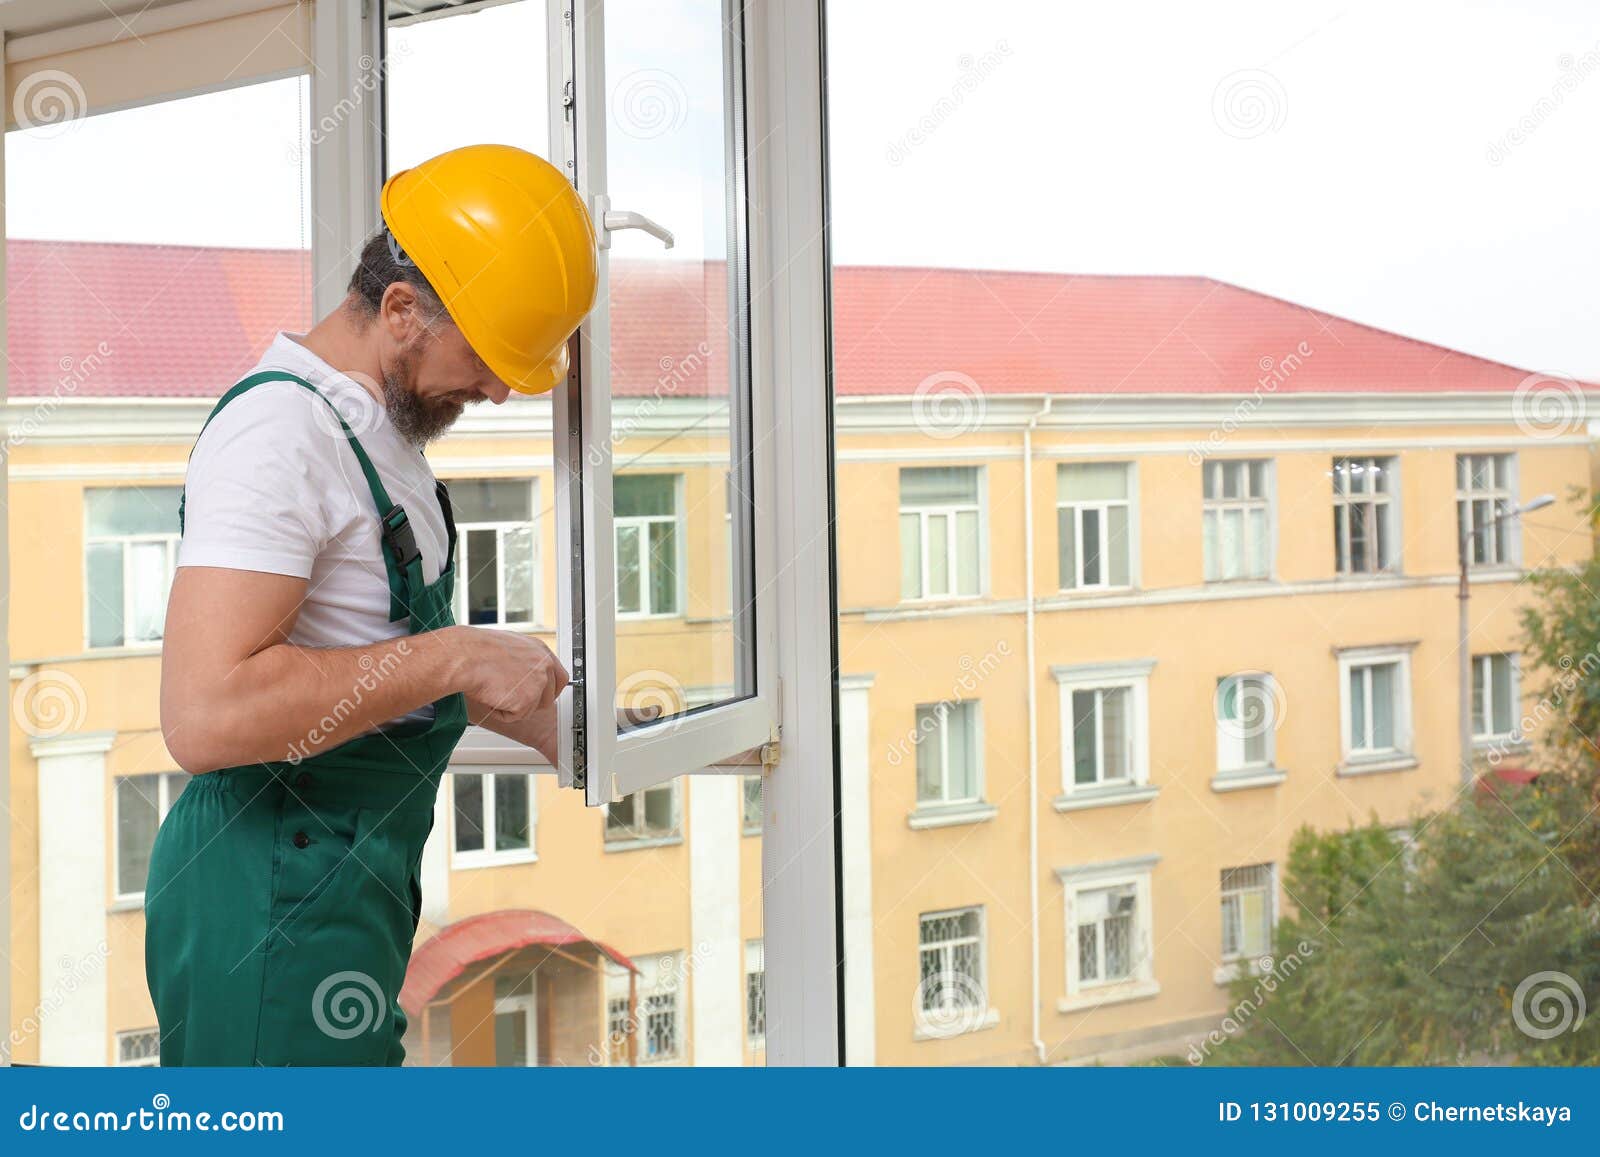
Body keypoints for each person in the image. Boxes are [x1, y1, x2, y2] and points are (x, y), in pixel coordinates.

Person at [144, 144, 597, 1066]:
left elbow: (368, 657)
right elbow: (204, 712)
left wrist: (588, 730)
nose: (500, 387)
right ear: (400, 309)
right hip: (266, 903)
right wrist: (460, 655)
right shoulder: (279, 436)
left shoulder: (375, 433)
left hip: (346, 893)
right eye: (485, 354)